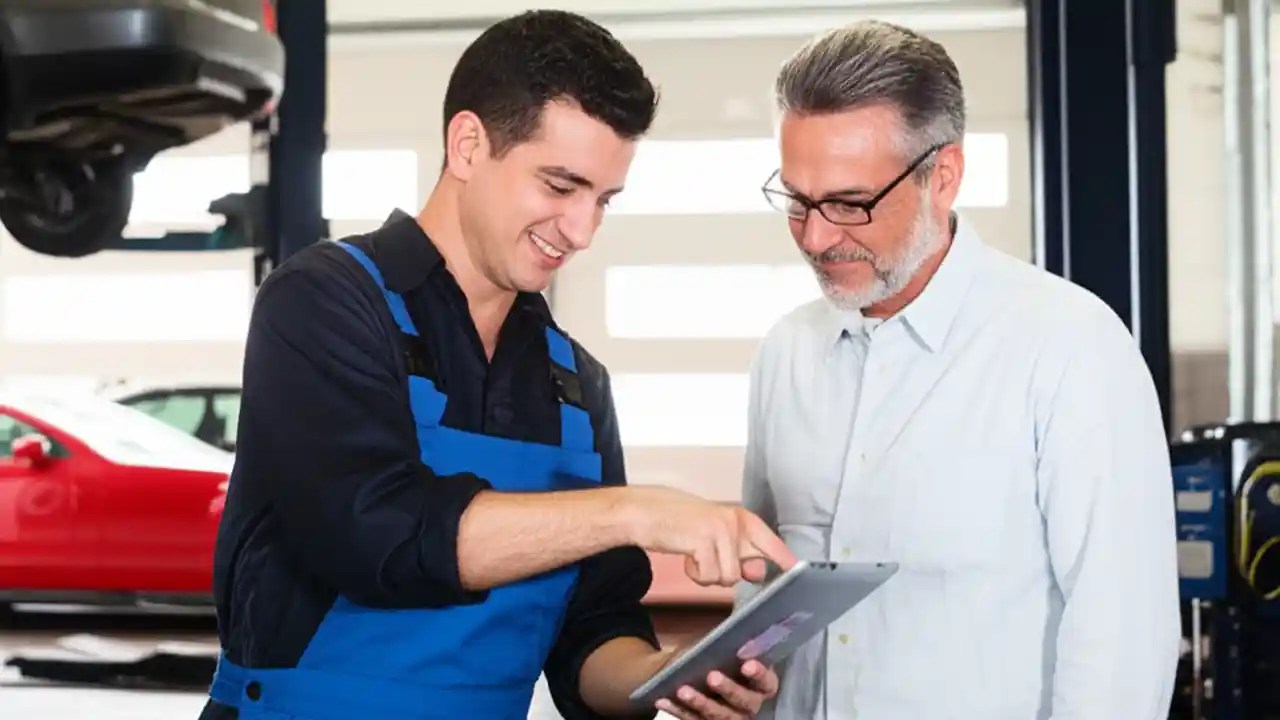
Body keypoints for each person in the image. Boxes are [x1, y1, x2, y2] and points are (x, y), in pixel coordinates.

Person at [199, 11, 795, 720]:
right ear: (469, 144)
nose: (582, 231)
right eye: (560, 185)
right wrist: (635, 511)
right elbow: (377, 534)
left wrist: (669, 679)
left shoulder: (576, 385)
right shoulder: (323, 301)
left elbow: (593, 630)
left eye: (603, 200)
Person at [739, 20, 1181, 720]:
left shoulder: (1069, 346)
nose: (816, 237)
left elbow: (1123, 644)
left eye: (850, 204)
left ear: (942, 175)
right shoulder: (786, 353)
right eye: (796, 199)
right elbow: (764, 597)